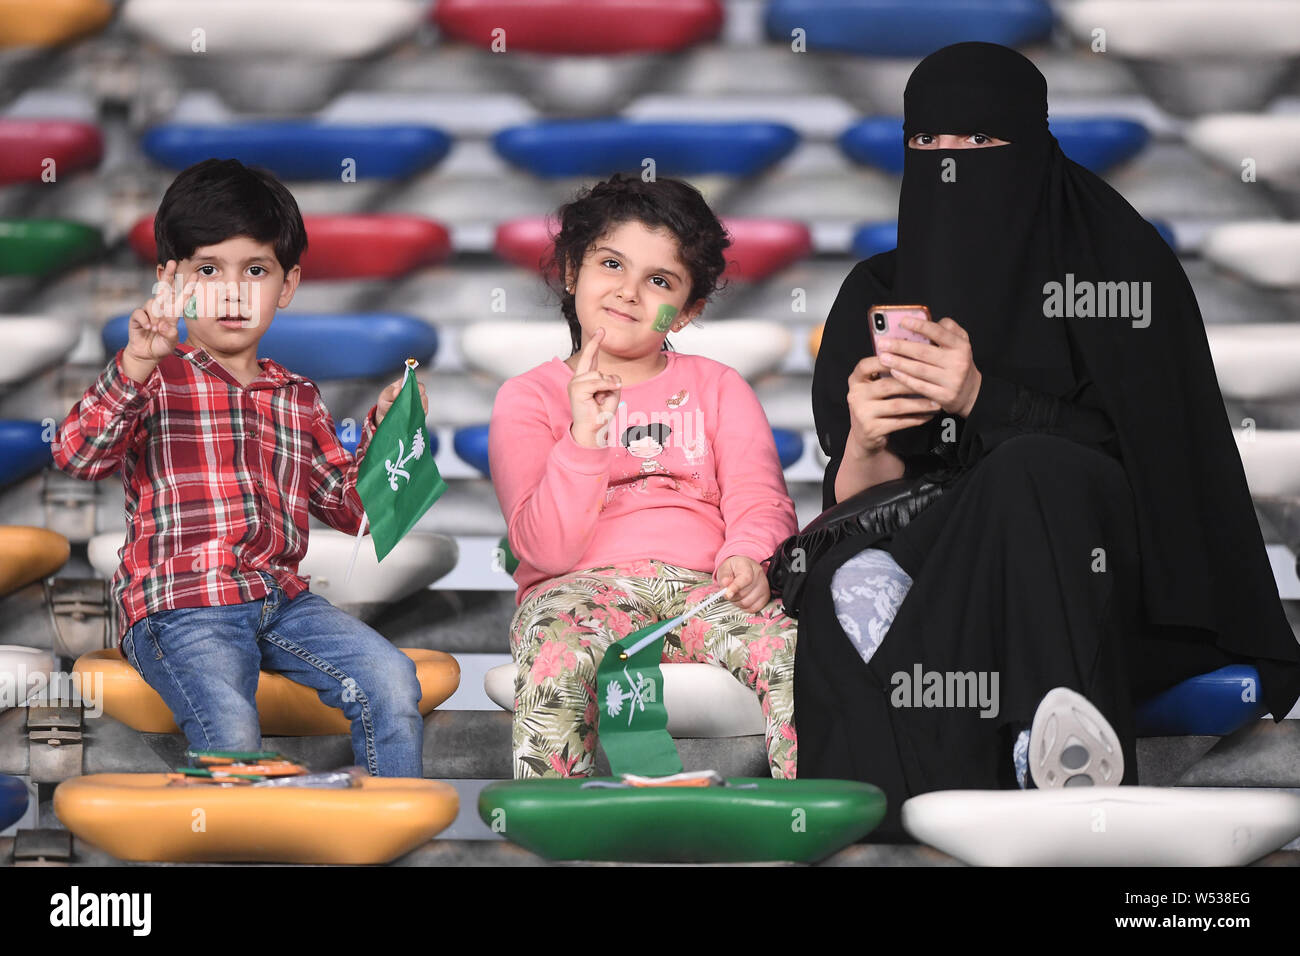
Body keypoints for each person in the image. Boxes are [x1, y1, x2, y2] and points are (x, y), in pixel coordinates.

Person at [793, 42, 1300, 840]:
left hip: (1103, 573)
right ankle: (996, 767)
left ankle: (1005, 723)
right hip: (947, 554)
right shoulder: (880, 291)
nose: (949, 171)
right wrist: (864, 438)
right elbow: (861, 509)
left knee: (1034, 472)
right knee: (847, 576)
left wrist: (980, 398)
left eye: (978, 146)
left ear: (1031, 146)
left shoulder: (1116, 271)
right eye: (927, 147)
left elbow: (1161, 468)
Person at [53, 158, 429, 776]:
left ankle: (393, 826)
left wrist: (388, 436)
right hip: (182, 602)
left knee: (391, 680)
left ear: (287, 286)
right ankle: (237, 840)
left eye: (255, 270)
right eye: (208, 269)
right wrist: (135, 363)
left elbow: (354, 510)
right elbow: (76, 454)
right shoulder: (153, 377)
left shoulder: (297, 395)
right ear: (169, 281)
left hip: (280, 601)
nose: (233, 291)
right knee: (229, 723)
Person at [489, 173, 800, 779]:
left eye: (659, 281)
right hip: (576, 593)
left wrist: (748, 556)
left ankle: (802, 808)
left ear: (685, 312)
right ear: (573, 271)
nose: (629, 292)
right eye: (611, 264)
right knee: (557, 657)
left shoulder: (718, 387)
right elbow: (544, 549)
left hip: (707, 588)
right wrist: (583, 438)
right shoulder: (527, 398)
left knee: (795, 653)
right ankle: (558, 818)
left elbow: (760, 497)